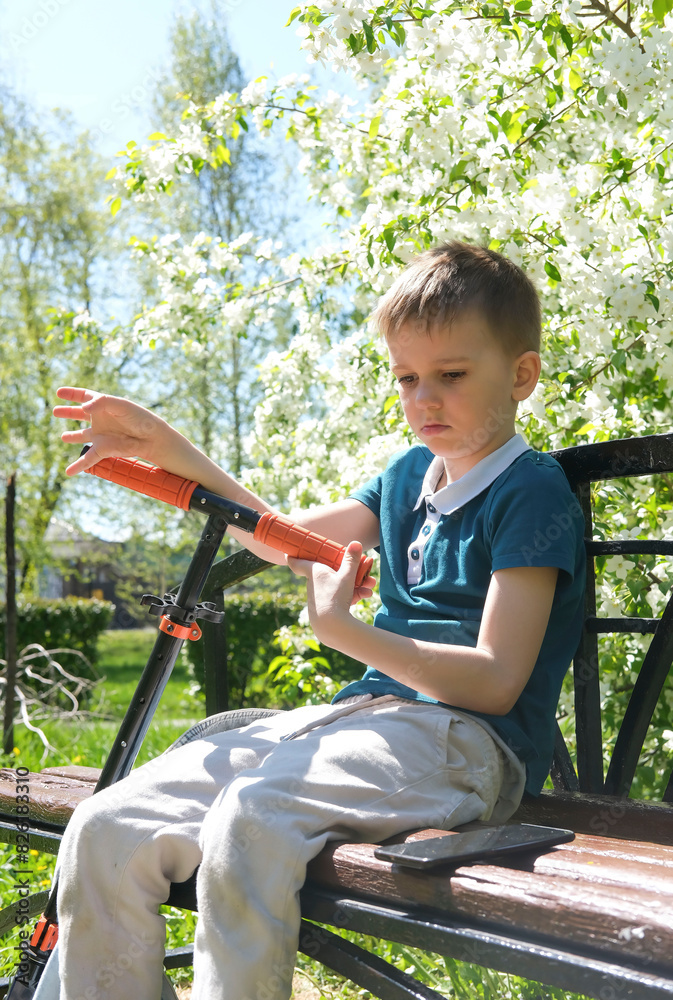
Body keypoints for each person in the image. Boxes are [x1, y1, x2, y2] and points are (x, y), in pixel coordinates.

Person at [46, 241, 585, 1000]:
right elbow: (281, 540)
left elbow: (496, 685)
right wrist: (171, 450)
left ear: (520, 375)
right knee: (107, 826)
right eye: (406, 378)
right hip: (360, 725)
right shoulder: (405, 478)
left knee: (252, 816)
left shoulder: (530, 490)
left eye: (451, 376)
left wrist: (349, 634)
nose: (423, 399)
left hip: (466, 745)